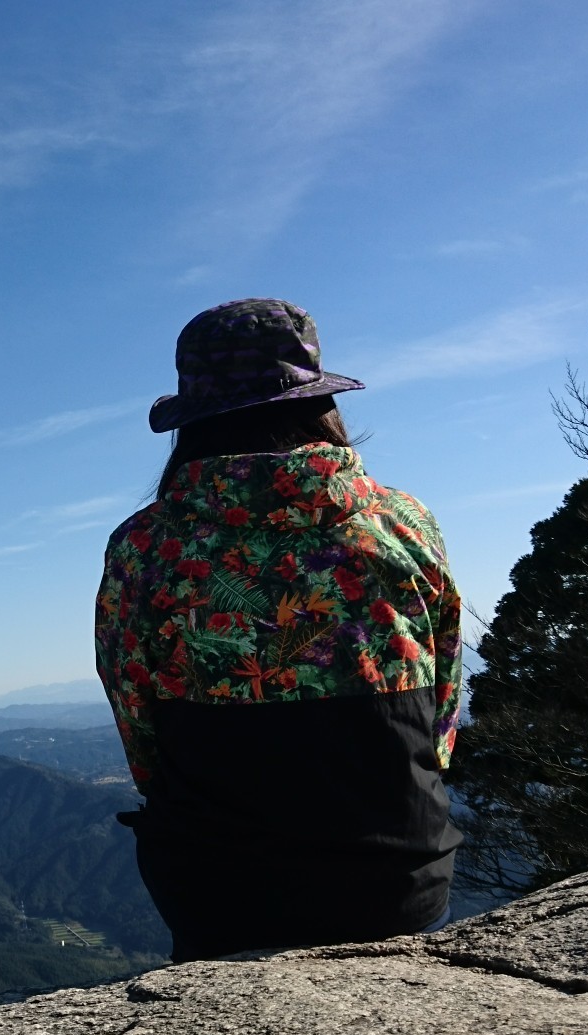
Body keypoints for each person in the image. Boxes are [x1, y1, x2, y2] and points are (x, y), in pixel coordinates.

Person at [95, 299, 463, 961]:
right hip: (400, 878)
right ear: (320, 404)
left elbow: (140, 730)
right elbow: (442, 710)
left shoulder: (146, 549)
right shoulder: (403, 522)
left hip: (223, 890)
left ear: (192, 421)